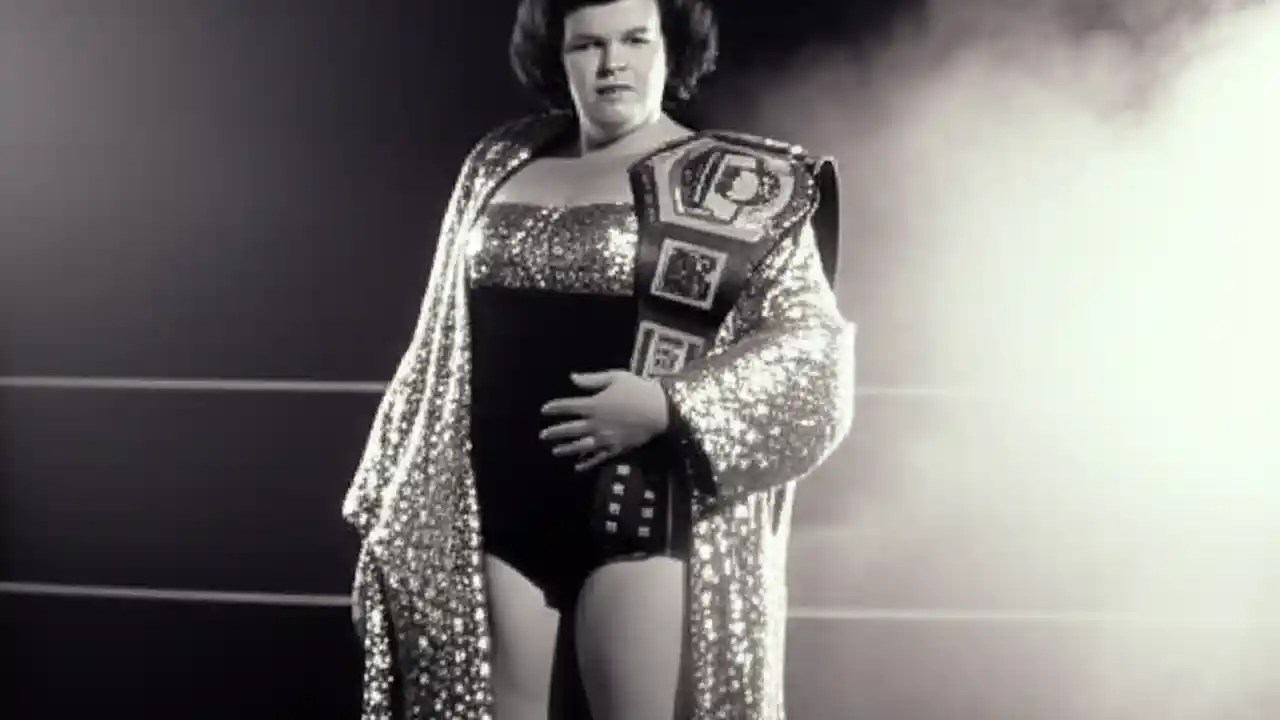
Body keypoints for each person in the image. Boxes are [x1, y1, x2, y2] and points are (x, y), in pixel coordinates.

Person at [340, 0, 857, 718]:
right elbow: (437, 344)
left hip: (642, 517)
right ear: (557, 56)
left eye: (634, 39)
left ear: (671, 48)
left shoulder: (744, 184)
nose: (611, 62)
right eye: (587, 44)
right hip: (492, 511)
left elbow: (812, 347)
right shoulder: (496, 162)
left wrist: (669, 407)